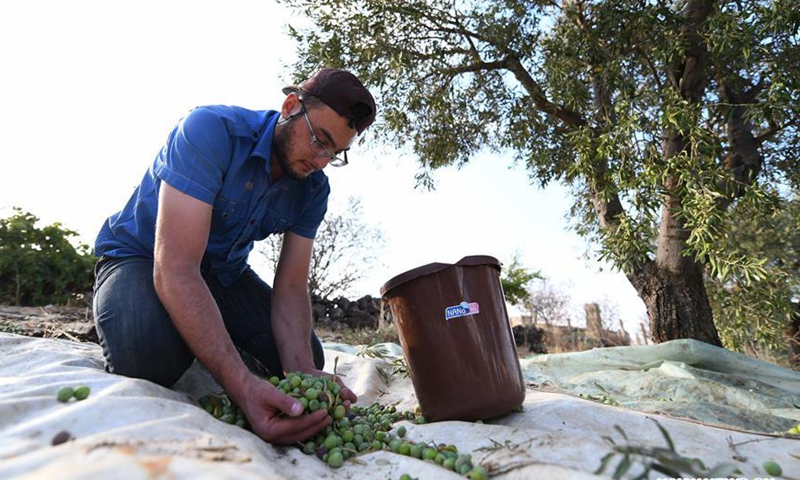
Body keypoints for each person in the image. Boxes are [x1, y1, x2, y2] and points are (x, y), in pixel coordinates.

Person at [92, 68, 376, 444]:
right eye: (319, 140)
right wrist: (241, 385)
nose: (322, 161)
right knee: (147, 356)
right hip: (144, 258)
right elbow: (176, 267)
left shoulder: (313, 190)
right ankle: (136, 313)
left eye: (335, 153)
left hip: (224, 274)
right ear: (290, 107)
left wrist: (301, 370)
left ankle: (197, 330)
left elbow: (291, 287)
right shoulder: (210, 130)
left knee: (306, 356)